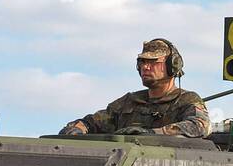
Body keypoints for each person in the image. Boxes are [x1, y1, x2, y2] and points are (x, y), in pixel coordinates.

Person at [59, 38, 211, 138]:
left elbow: (200, 126)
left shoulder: (186, 101)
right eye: (142, 62)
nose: (145, 67)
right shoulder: (129, 102)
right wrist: (77, 129)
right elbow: (93, 122)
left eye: (152, 62)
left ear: (173, 66)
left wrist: (151, 134)